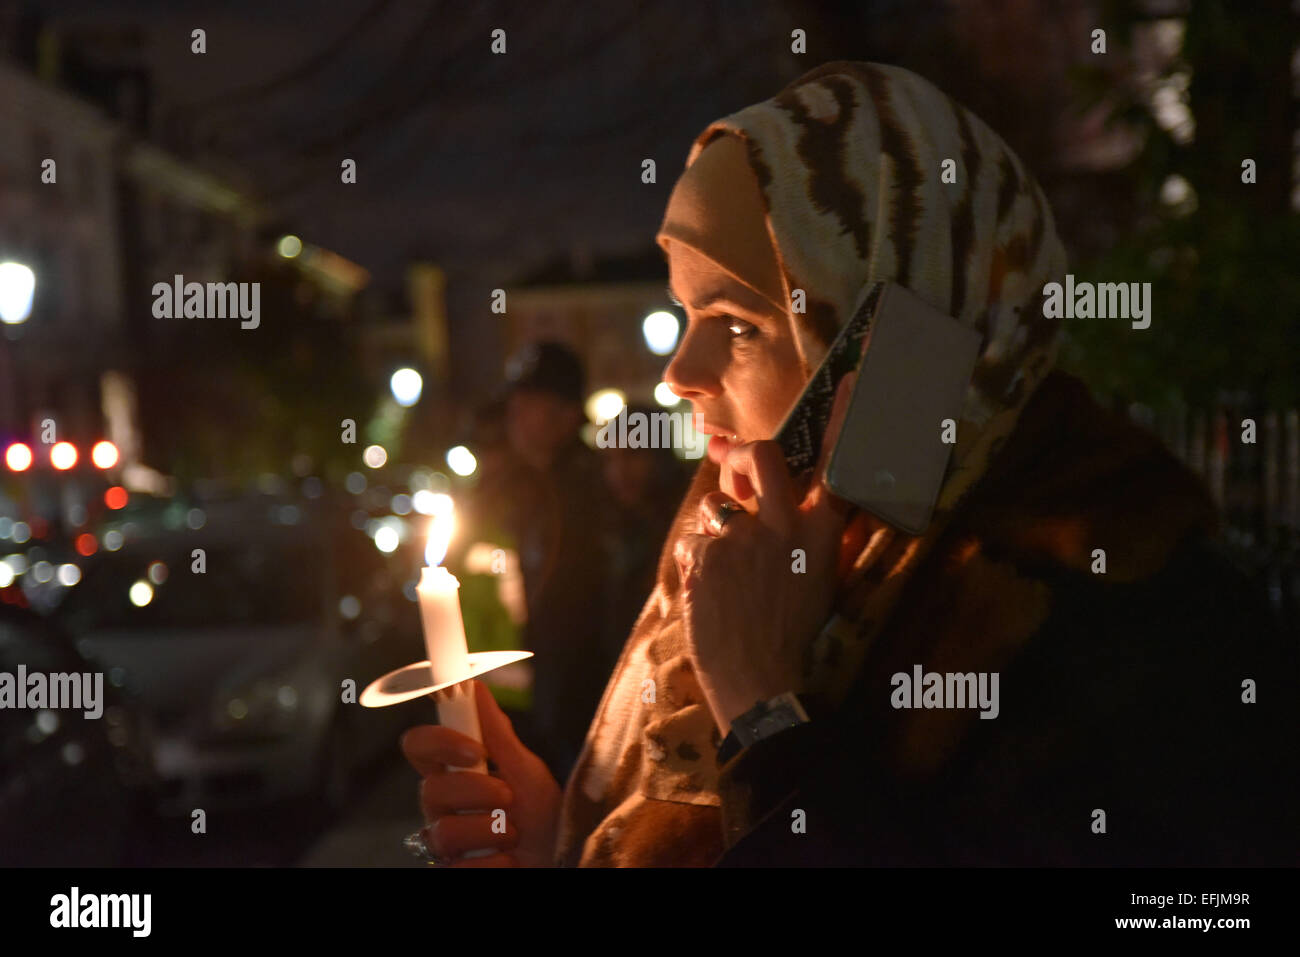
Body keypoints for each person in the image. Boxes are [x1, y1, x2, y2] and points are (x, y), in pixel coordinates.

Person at [400, 61, 1299, 867]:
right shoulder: (766, 565)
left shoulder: (1135, 627)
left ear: (899, 346)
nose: (678, 376)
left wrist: (765, 720)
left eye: (741, 325)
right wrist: (566, 838)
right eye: (683, 316)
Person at [455, 341, 620, 784]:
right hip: (505, 704)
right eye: (515, 400)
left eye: (531, 402)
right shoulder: (495, 494)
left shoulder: (602, 494)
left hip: (581, 709)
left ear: (567, 416)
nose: (515, 412)